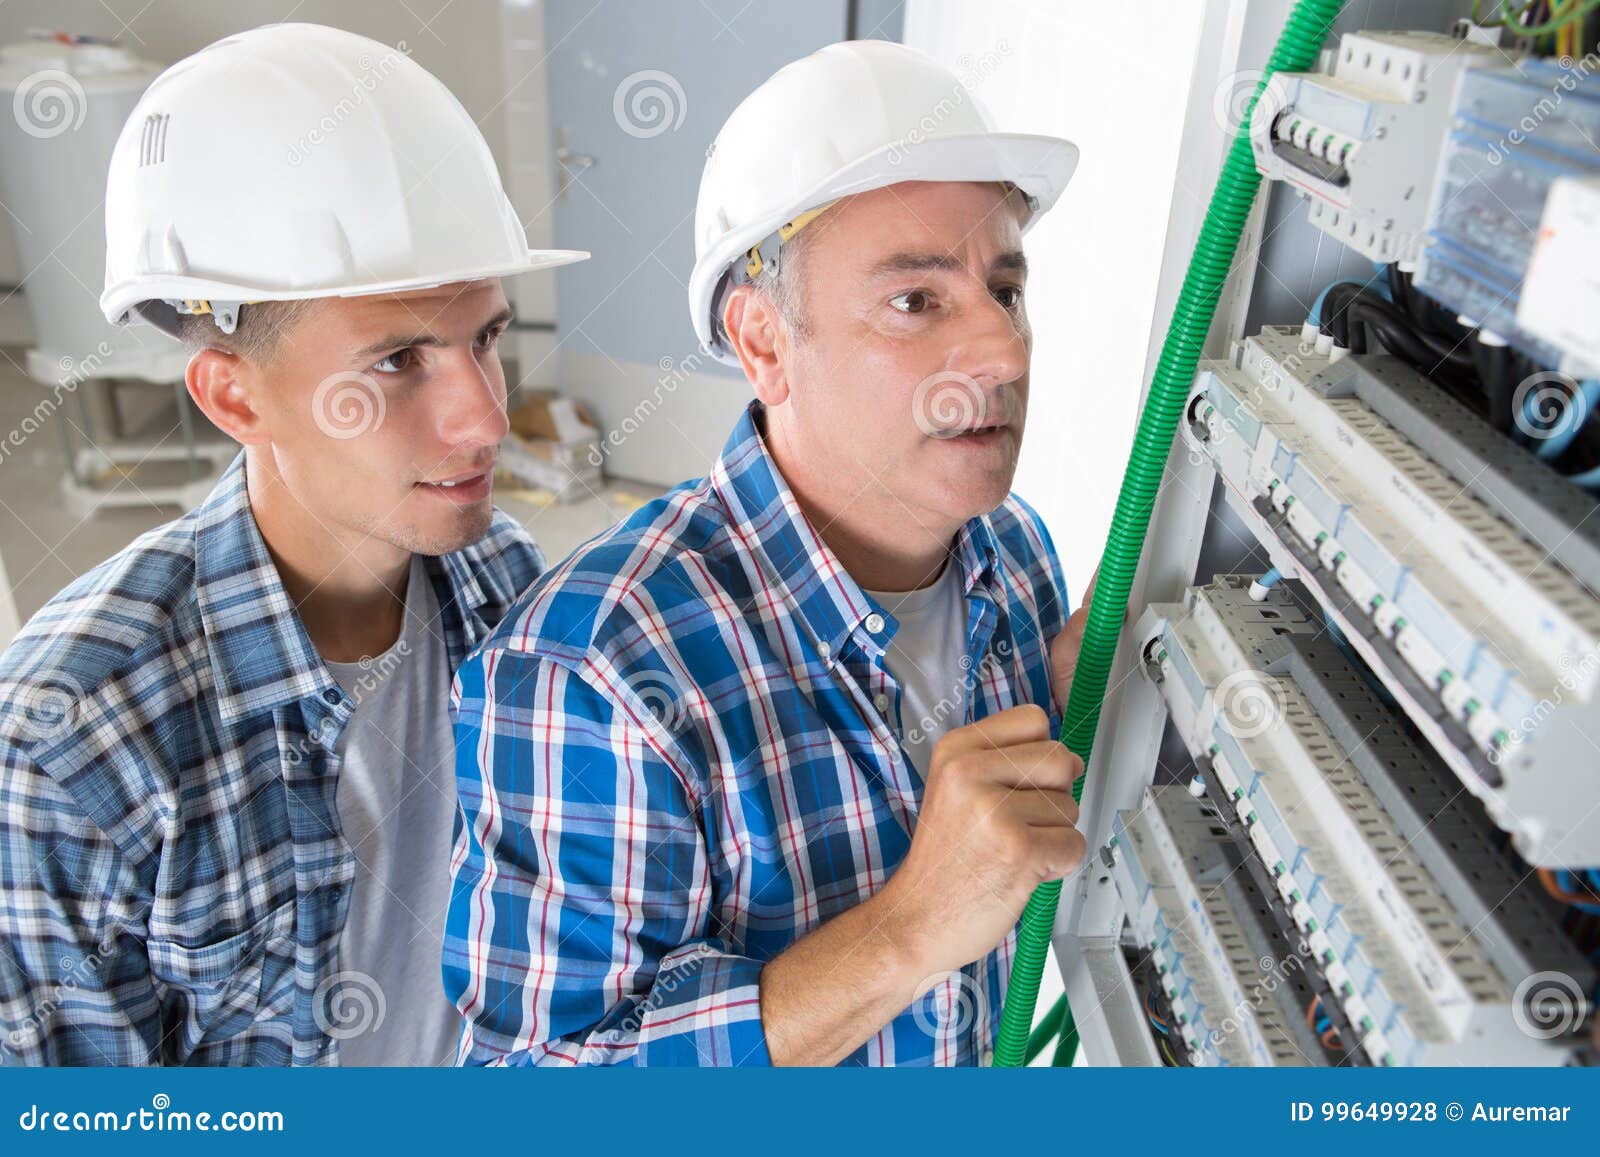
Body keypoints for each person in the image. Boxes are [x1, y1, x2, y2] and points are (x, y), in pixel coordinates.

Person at [446, 39, 1094, 1066]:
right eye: (915, 300)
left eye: (1003, 289)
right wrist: (905, 930)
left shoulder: (1011, 559)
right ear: (761, 344)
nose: (1004, 352)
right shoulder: (595, 667)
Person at [0, 23, 586, 1066]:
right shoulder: (74, 743)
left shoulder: (501, 581)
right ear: (234, 393)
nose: (485, 419)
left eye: (486, 336)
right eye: (399, 358)